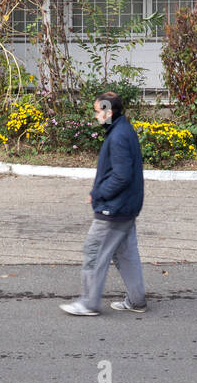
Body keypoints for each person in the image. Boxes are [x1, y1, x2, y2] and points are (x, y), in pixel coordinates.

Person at [59, 92, 147, 316]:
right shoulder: (123, 129)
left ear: (108, 112)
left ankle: (88, 303)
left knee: (94, 252)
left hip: (114, 208)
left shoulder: (117, 136)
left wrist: (98, 194)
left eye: (97, 111)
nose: (95, 115)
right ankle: (137, 301)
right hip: (126, 206)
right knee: (126, 254)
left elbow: (121, 176)